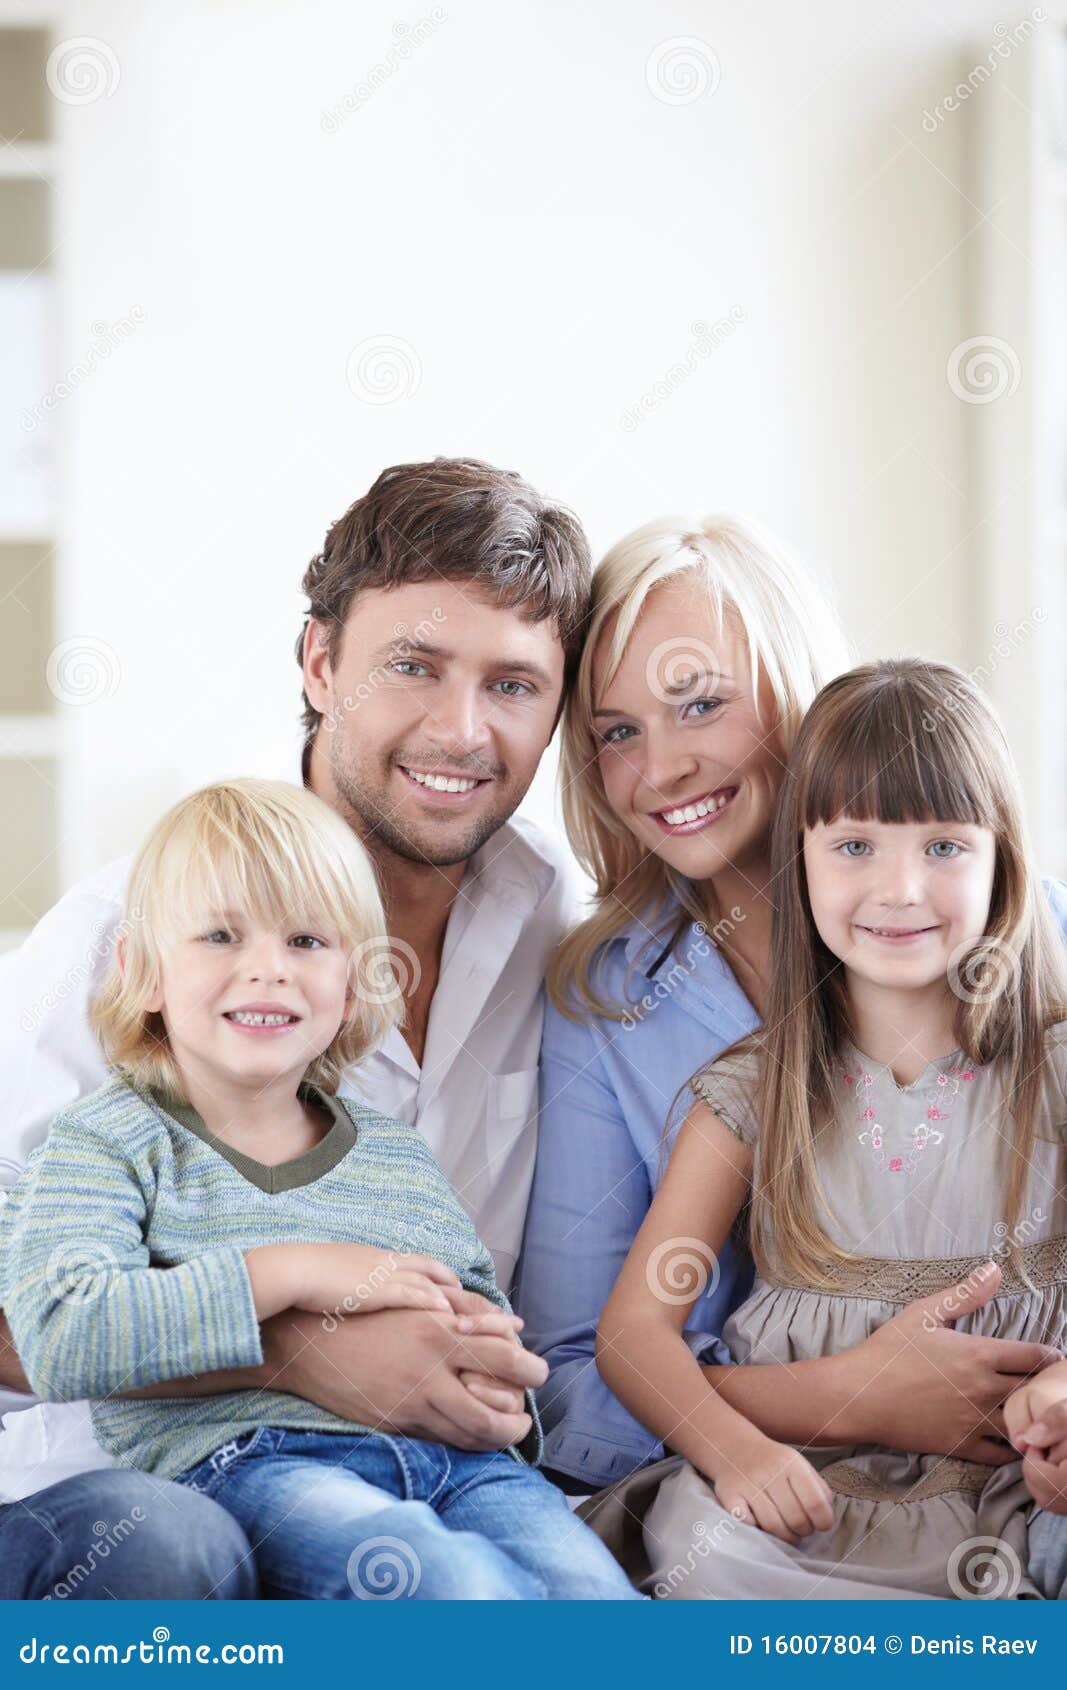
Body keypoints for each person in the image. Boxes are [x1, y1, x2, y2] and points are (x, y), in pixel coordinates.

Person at [0, 457, 590, 1597]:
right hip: (142, 1498)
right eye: (412, 666)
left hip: (446, 1472)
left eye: (514, 685)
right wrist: (303, 1352)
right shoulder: (131, 933)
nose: (461, 729)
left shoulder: (552, 923)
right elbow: (26, 1306)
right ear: (320, 662)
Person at [517, 517, 1067, 1529]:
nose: (660, 770)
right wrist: (849, 1398)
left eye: (700, 705)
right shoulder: (608, 1004)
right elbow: (572, 1377)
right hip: (786, 1501)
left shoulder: (1034, 953)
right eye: (617, 731)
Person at [2, 780, 639, 1601]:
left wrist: (493, 1382)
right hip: (253, 1463)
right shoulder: (106, 1143)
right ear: (143, 971)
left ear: (355, 982)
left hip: (467, 1469)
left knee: (597, 1600)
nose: (267, 970)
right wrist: (292, 1271)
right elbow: (62, 1333)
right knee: (457, 1585)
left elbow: (469, 1306)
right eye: (220, 936)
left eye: (306, 941)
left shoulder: (394, 1155)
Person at [598, 659, 1067, 1599]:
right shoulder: (751, 1093)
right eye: (854, 845)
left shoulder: (1053, 1074)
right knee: (713, 1556)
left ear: (1001, 861)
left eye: (944, 846)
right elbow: (633, 1334)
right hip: (808, 1504)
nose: (899, 890)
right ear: (799, 862)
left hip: (1015, 1495)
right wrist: (734, 1452)